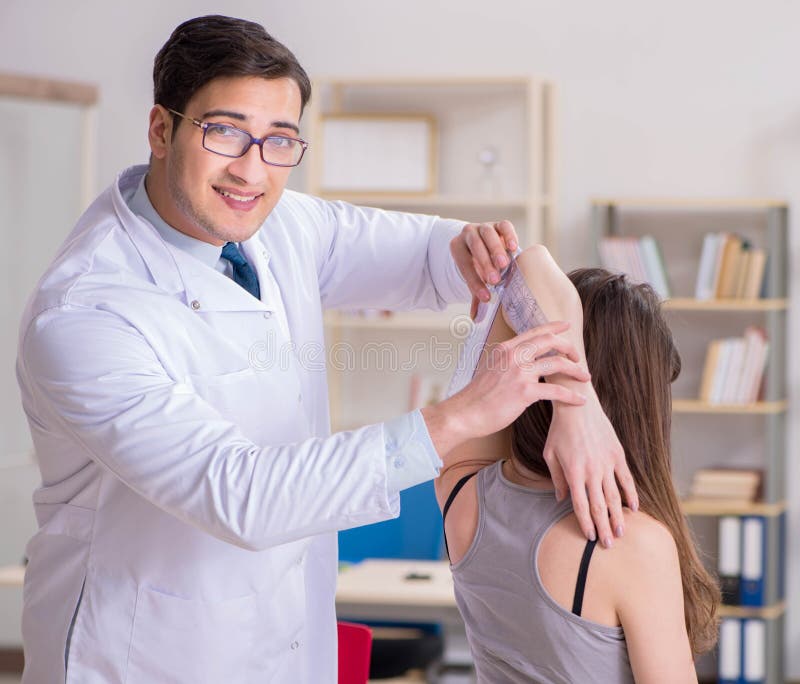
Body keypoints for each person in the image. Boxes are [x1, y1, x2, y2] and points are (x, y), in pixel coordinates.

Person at [16, 15, 634, 684]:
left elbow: (507, 265)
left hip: (285, 643)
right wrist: (462, 416)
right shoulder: (85, 312)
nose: (251, 169)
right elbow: (239, 494)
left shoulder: (285, 225)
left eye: (279, 140)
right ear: (162, 130)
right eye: (224, 131)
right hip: (143, 656)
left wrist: (579, 408)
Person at [435, 248, 721, 683]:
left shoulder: (464, 499)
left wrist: (570, 401)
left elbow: (522, 273)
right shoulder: (629, 542)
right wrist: (578, 404)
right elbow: (521, 270)